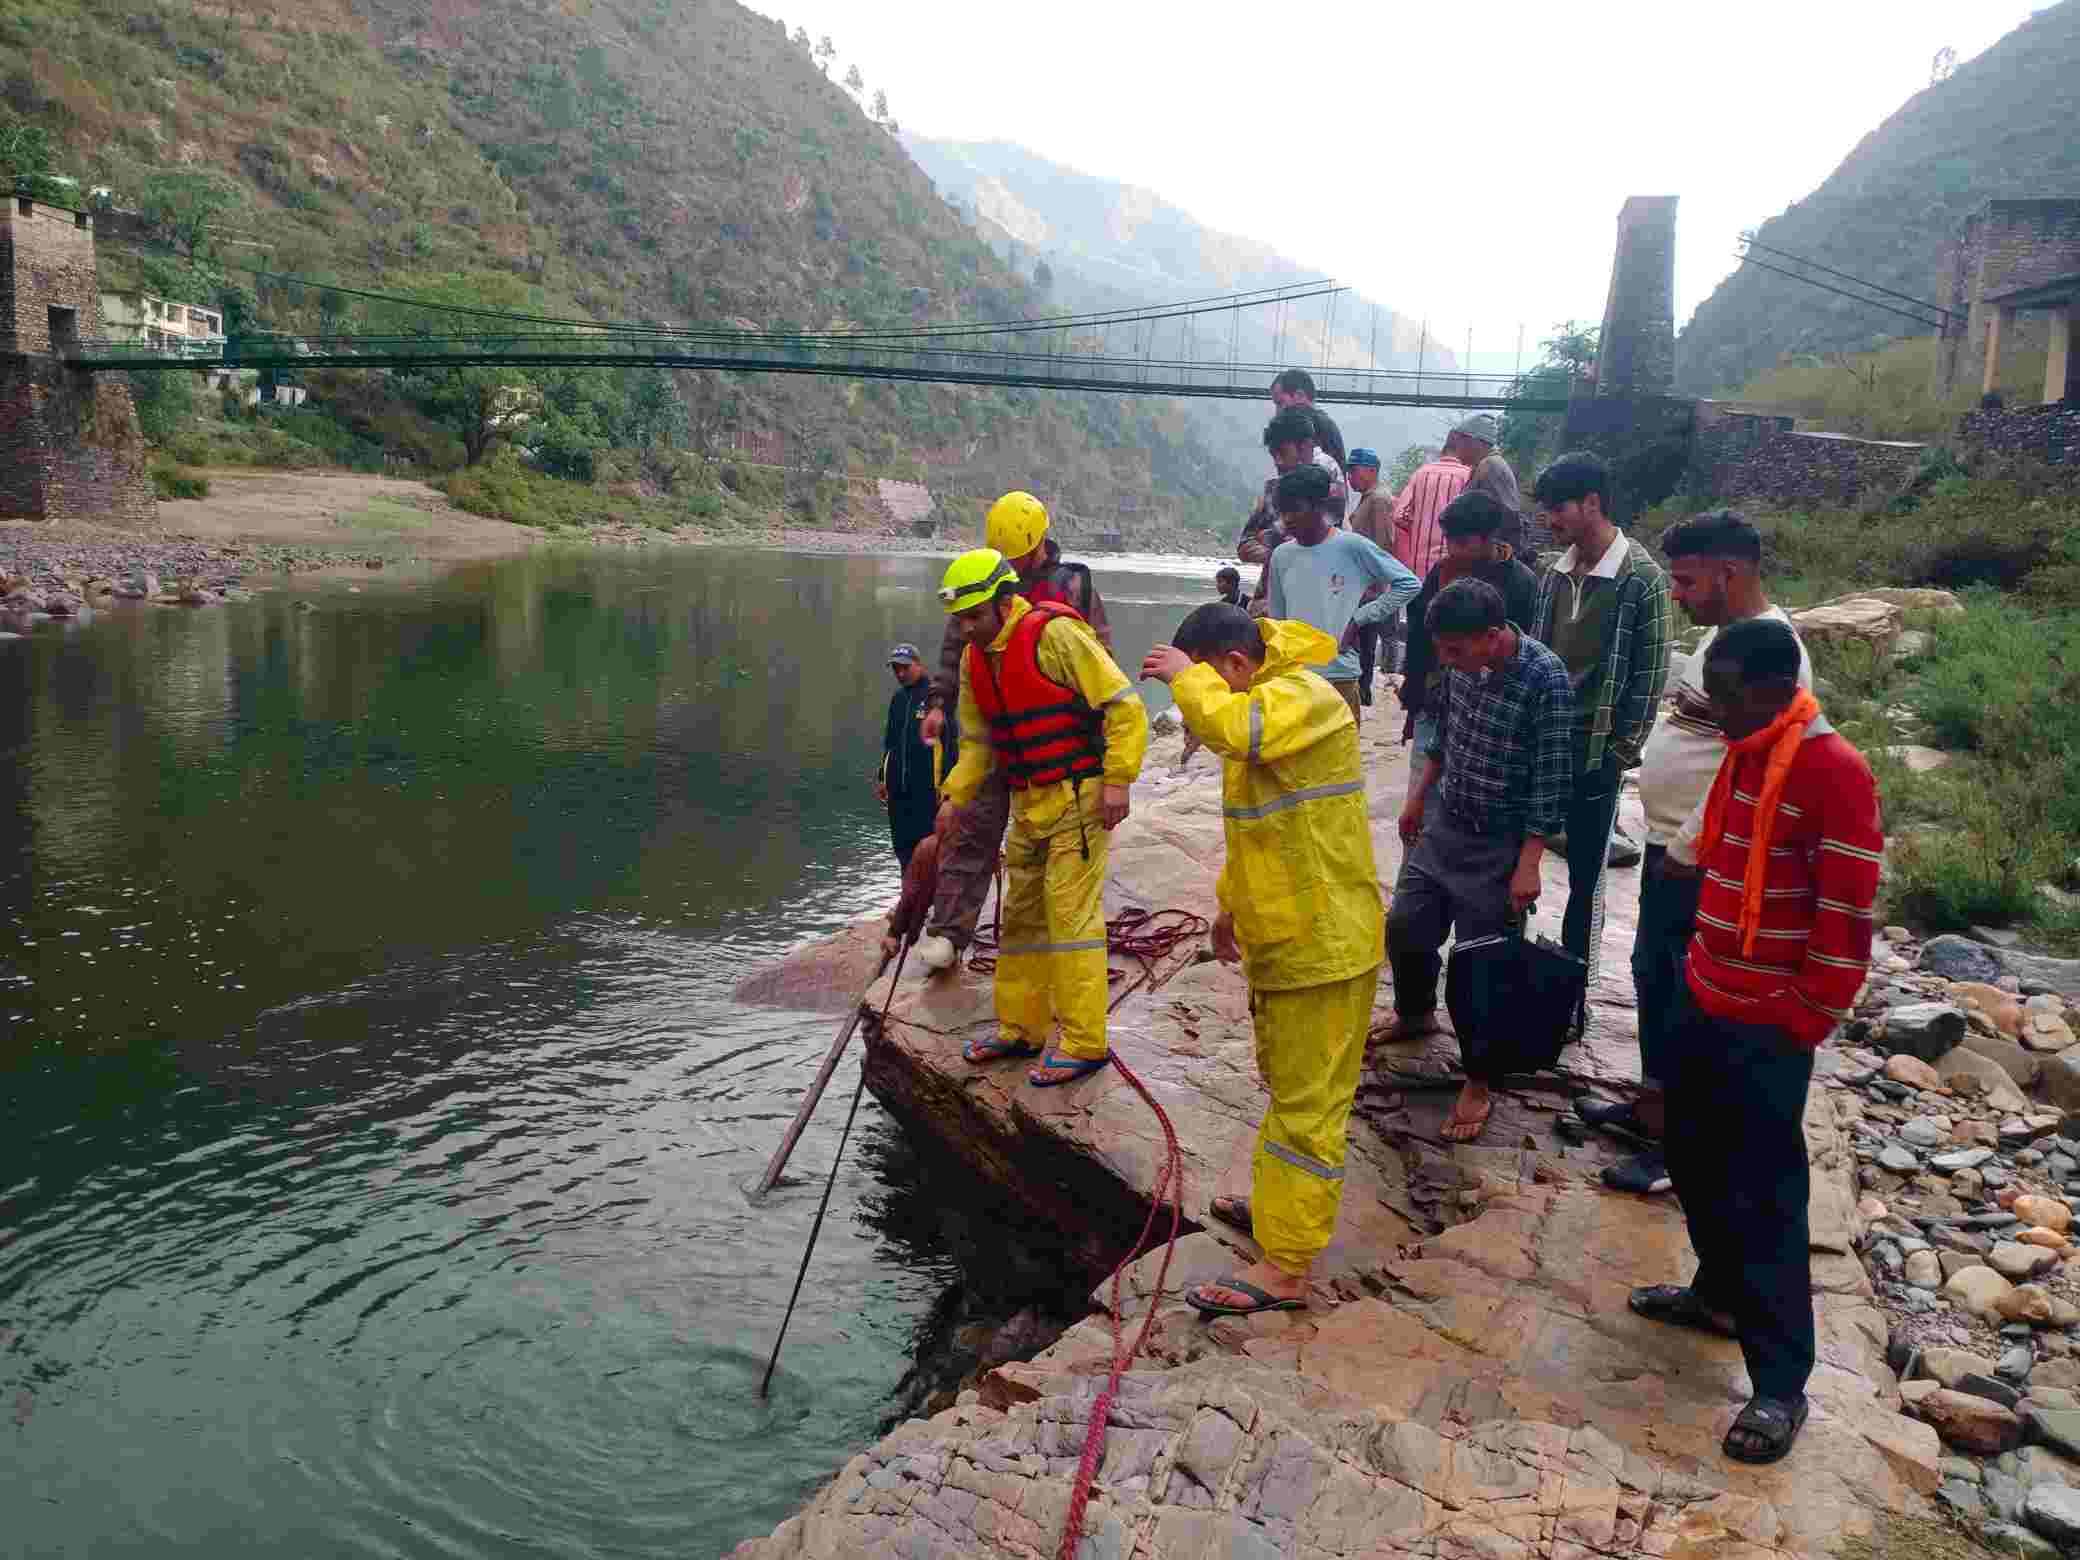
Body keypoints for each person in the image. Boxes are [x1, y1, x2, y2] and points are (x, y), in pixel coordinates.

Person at [1629, 615, 1881, 1468]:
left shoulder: (1833, 768)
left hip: (1772, 1015)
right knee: (1691, 1154)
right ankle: (1717, 1293)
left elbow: (1848, 911)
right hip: (1707, 985)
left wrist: (1810, 1011)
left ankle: (1780, 1385)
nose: (1714, 712)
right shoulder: (1745, 748)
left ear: (1772, 689)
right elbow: (1715, 843)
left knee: (1767, 1190)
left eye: (1726, 698)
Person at [1138, 605, 1381, 1317]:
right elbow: (1265, 833)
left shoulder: (1300, 699)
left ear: (1237, 666)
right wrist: (1228, 907)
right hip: (1291, 940)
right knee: (1289, 1088)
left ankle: (1288, 1267)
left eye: (1209, 677)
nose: (1199, 700)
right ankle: (1282, 1211)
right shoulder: (1269, 706)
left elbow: (1233, 728)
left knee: (1309, 1108)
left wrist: (1185, 680)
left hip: (1324, 944)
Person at [1579, 510, 1810, 1197]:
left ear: (1728, 572)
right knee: (1654, 977)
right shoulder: (1722, 638)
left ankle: (1678, 1150)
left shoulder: (1774, 651)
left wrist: (1690, 845)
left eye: (1685, 579)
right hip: (1668, 846)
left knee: (1687, 998)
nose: (1675, 593)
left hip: (1699, 858)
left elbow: (1755, 768)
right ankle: (1652, 1112)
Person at [933, 548, 1148, 1086]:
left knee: (1072, 924)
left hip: (1078, 799)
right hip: (1028, 805)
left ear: (1005, 603)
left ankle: (1084, 1042)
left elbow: (1125, 706)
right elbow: (979, 745)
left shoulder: (1057, 637)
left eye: (973, 617)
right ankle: (1020, 1028)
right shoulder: (973, 658)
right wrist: (954, 798)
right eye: (958, 619)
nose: (965, 629)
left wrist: (1118, 780)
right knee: (1022, 921)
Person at [1382, 579, 1573, 1142]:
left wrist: (1530, 861)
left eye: (1456, 650)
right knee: (1405, 926)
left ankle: (1480, 1079)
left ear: (1494, 637)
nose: (1447, 660)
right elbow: (1444, 733)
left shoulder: (1545, 677)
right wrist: (1419, 797)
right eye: (1442, 650)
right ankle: (1415, 1014)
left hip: (1501, 843)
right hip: (1448, 824)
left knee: (1481, 968)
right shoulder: (1460, 664)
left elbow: (1552, 776)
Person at [915, 493, 1113, 971]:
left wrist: (1103, 741)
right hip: (994, 730)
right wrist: (939, 704)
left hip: (1053, 740)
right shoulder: (983, 581)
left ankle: (1054, 932)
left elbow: (1100, 657)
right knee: (971, 830)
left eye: (1020, 554)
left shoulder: (1073, 586)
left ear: (1040, 541)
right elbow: (956, 647)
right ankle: (949, 932)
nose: (1015, 564)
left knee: (1055, 843)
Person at [1528, 452, 1673, 1035]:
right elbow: (1536, 655)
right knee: (1520, 863)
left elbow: (1650, 676)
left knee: (1586, 884)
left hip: (1595, 757)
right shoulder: (1555, 574)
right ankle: (1514, 980)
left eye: (1558, 507)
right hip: (1543, 746)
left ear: (1592, 503)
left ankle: (1572, 1001)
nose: (1550, 520)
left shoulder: (1642, 578)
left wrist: (1616, 756)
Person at [1397, 492, 1539, 803]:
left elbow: (1522, 653)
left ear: (1489, 538)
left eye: (1463, 543)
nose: (1454, 551)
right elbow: (1420, 638)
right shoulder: (1442, 572)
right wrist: (1414, 695)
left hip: (1488, 717)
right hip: (1435, 704)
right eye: (1450, 541)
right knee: (1421, 801)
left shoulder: (1520, 584)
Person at [1263, 464, 1420, 723]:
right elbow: (1277, 622)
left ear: (1319, 505)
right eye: (1283, 511)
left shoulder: (1351, 546)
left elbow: (1408, 583)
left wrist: (1360, 618)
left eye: (1295, 509)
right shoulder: (1282, 556)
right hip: (1293, 679)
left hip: (1339, 676)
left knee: (1340, 759)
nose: (1288, 518)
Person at [877, 643, 951, 869]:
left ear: (919, 665)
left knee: (930, 851)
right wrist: (882, 777)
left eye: (905, 668)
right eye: (896, 668)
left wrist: (949, 790)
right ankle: (909, 898)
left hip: (927, 792)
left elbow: (950, 745)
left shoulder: (935, 698)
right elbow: (890, 744)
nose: (900, 673)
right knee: (902, 850)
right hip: (898, 792)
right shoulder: (897, 699)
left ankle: (935, 900)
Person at [1344, 447, 1396, 690]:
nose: (1350, 477)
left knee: (1364, 643)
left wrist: (1375, 585)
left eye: (1353, 471)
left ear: (1371, 471)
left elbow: (1383, 545)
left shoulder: (1379, 500)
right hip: (1363, 584)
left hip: (1370, 586)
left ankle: (1362, 692)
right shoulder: (1370, 497)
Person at [1389, 440, 1471, 582]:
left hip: (1419, 565)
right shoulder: (1468, 476)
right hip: (1454, 566)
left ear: (1443, 453)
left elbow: (1398, 515)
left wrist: (1421, 526)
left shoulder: (1421, 473)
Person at [1444, 413, 1527, 553]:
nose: (1456, 450)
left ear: (1474, 441)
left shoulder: (1491, 466)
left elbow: (1508, 516)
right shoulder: (1486, 465)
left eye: (1457, 444)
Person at [1270, 367, 1346, 471]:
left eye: (1280, 403)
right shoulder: (1324, 422)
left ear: (1300, 395)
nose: (1277, 412)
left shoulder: (1312, 425)